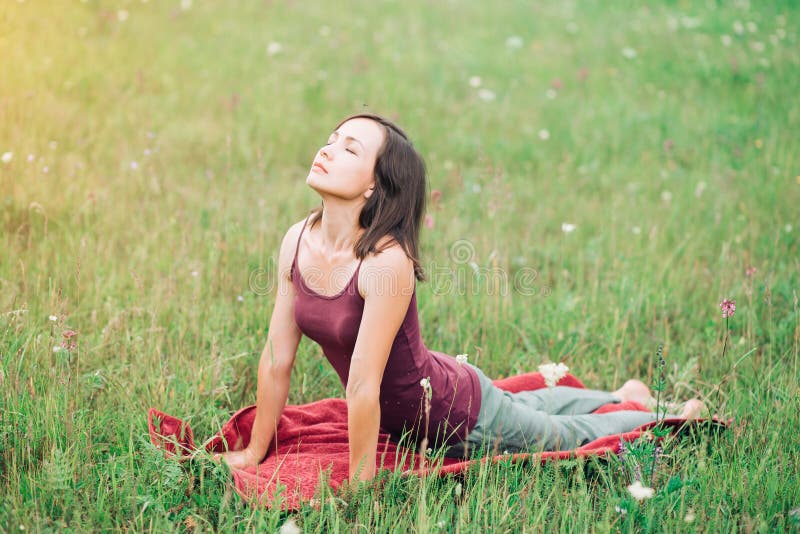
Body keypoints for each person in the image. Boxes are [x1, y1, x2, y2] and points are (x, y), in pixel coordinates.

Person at [216, 113, 704, 481]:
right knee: (531, 405)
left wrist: (361, 491)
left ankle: (662, 416)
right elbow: (277, 359)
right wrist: (255, 451)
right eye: (330, 139)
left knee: (561, 437)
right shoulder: (297, 238)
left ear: (373, 185)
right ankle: (623, 394)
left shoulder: (386, 262)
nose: (326, 149)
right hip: (438, 384)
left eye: (349, 148)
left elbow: (363, 387)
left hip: (452, 416)